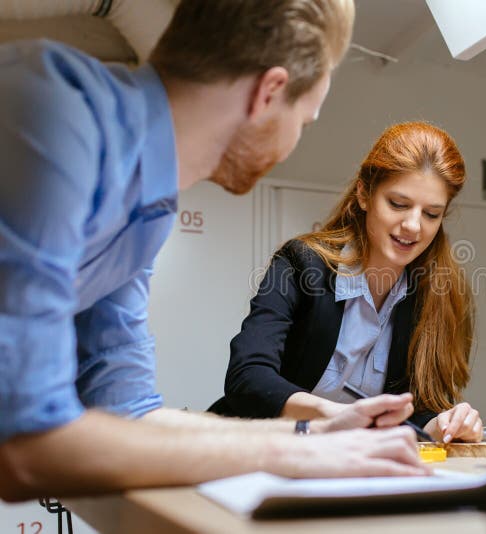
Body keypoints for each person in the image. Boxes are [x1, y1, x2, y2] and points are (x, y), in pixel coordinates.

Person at [0, 0, 430, 504]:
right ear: (269, 93)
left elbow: (131, 412)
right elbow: (25, 448)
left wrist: (315, 434)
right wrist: (292, 455)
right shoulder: (52, 115)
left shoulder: (147, 210)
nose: (295, 140)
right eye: (305, 120)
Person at [210, 121, 484, 443]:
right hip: (262, 447)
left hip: (352, 462)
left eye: (431, 214)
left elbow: (415, 409)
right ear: (364, 194)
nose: (413, 226)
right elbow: (248, 378)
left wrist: (439, 424)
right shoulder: (301, 262)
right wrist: (345, 418)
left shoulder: (434, 292)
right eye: (398, 204)